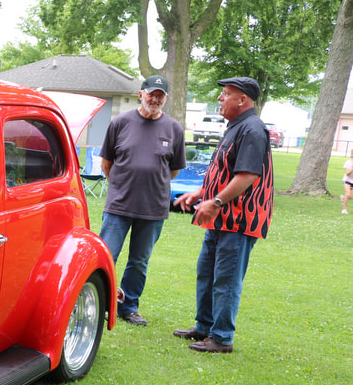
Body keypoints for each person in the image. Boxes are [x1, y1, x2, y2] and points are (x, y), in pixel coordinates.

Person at [172, 76, 274, 354]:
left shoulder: (252, 129)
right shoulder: (235, 127)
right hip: (221, 218)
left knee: (226, 279)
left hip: (238, 219)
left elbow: (248, 175)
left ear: (242, 100)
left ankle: (222, 337)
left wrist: (215, 201)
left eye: (226, 94)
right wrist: (200, 192)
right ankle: (204, 326)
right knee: (206, 273)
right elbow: (224, 169)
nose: (220, 98)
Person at [97, 74, 186, 326]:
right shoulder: (120, 123)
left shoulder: (174, 129)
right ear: (141, 94)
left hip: (153, 208)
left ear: (165, 99)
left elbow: (173, 170)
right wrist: (123, 185)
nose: (154, 99)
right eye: (151, 94)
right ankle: (100, 303)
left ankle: (128, 307)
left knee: (139, 261)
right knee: (106, 257)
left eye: (160, 96)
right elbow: (106, 164)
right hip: (119, 205)